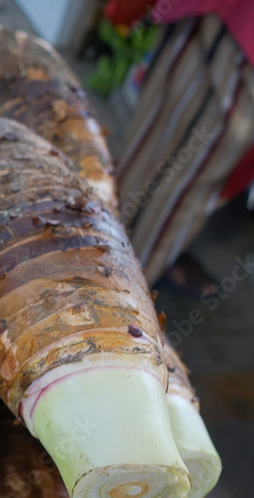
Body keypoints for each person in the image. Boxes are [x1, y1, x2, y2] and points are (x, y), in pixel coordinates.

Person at [110, 0, 254, 285]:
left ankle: (112, 290)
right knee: (165, 184)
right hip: (231, 26)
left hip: (229, 26)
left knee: (165, 177)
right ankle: (107, 285)